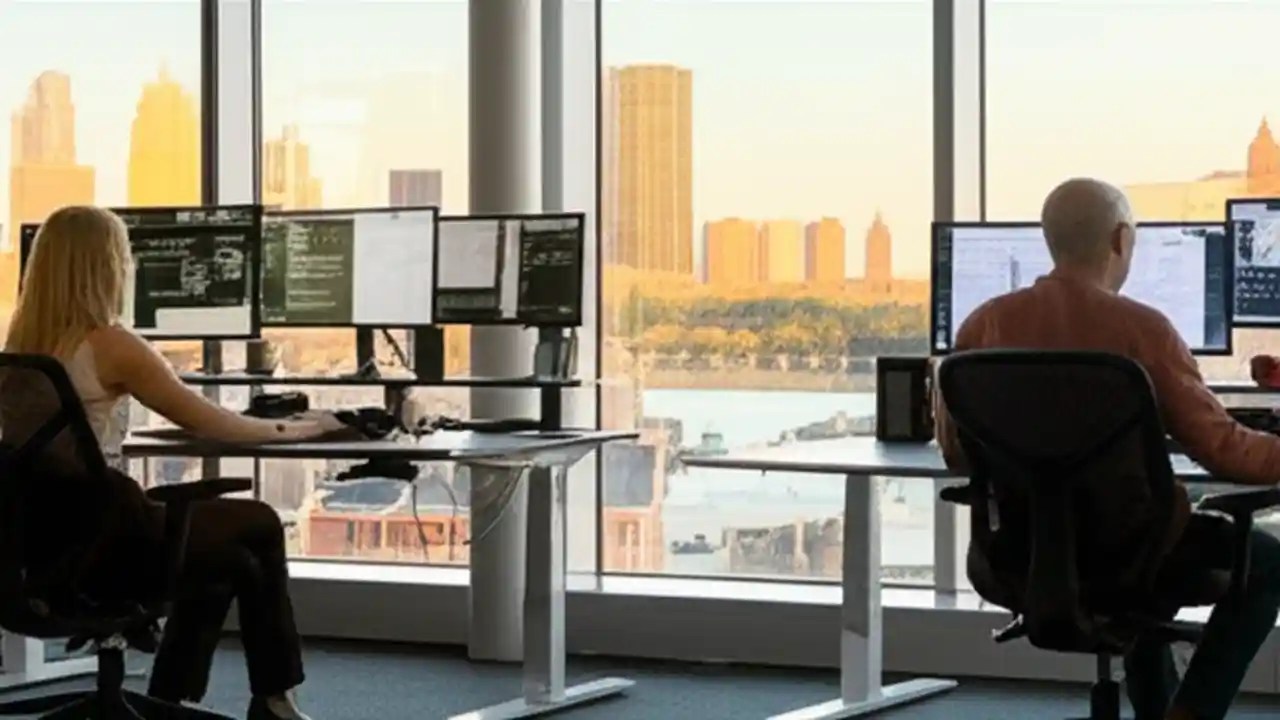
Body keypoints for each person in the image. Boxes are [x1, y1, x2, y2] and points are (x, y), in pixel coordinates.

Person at [934, 178, 1280, 720]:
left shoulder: (983, 325)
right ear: (1121, 240)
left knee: (1155, 545)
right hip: (1136, 556)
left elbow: (956, 455)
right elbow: (1227, 452)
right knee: (1265, 560)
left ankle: (1156, 708)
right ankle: (1188, 714)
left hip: (1017, 557)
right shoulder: (1143, 330)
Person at [5, 205, 344, 720]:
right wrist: (300, 428)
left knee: (234, 560)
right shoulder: (112, 344)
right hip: (101, 542)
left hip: (39, 543)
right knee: (258, 521)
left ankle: (181, 697)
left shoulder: (20, 347)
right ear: (108, 265)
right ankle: (269, 700)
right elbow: (211, 422)